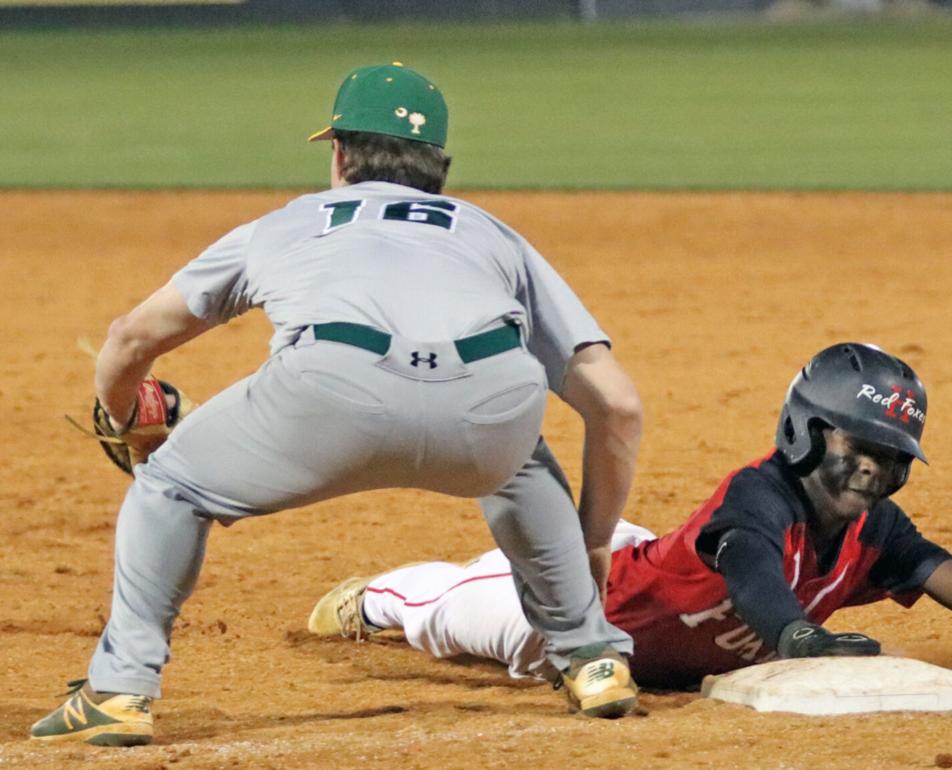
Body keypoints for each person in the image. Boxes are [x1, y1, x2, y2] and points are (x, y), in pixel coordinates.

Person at [32, 62, 642, 746]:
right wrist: (591, 544)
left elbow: (130, 337)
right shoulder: (491, 234)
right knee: (520, 459)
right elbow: (616, 406)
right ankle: (593, 659)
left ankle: (119, 689)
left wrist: (125, 416)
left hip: (330, 393)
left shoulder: (290, 221)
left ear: (341, 153)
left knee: (169, 487)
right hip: (488, 405)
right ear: (438, 165)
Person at [309, 343, 952, 688]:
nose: (875, 468)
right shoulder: (758, 496)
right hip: (571, 613)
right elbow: (753, 576)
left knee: (641, 549)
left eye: (893, 455)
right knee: (442, 613)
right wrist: (802, 639)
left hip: (651, 568)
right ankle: (373, 598)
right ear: (805, 432)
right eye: (859, 444)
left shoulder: (877, 532)